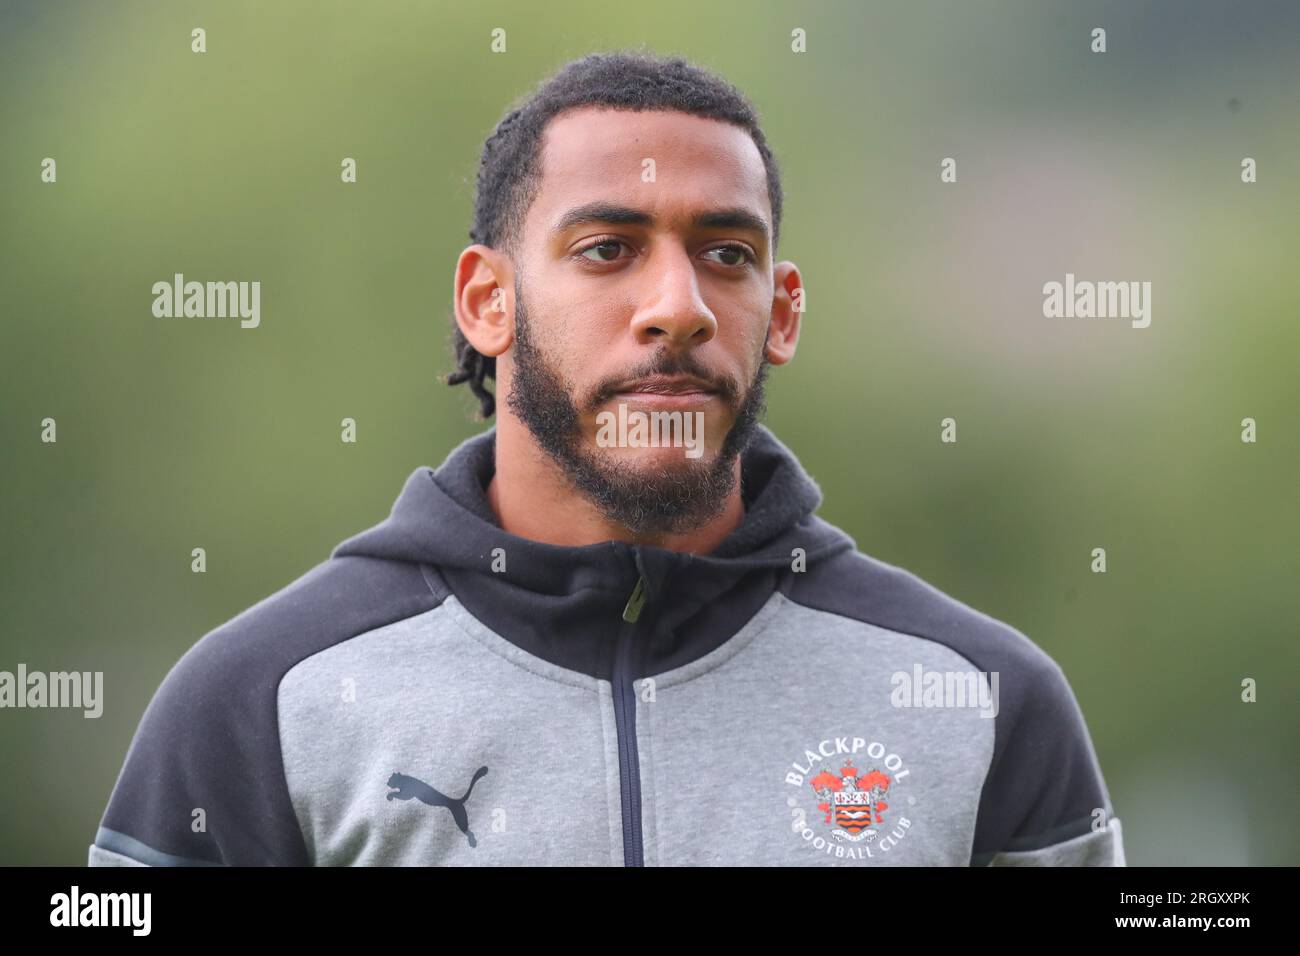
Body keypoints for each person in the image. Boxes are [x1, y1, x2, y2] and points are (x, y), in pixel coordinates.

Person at [89, 49, 1124, 867]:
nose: (677, 306)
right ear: (488, 302)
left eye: (727, 253)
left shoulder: (980, 698)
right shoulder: (259, 699)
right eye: (606, 250)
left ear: (783, 310)